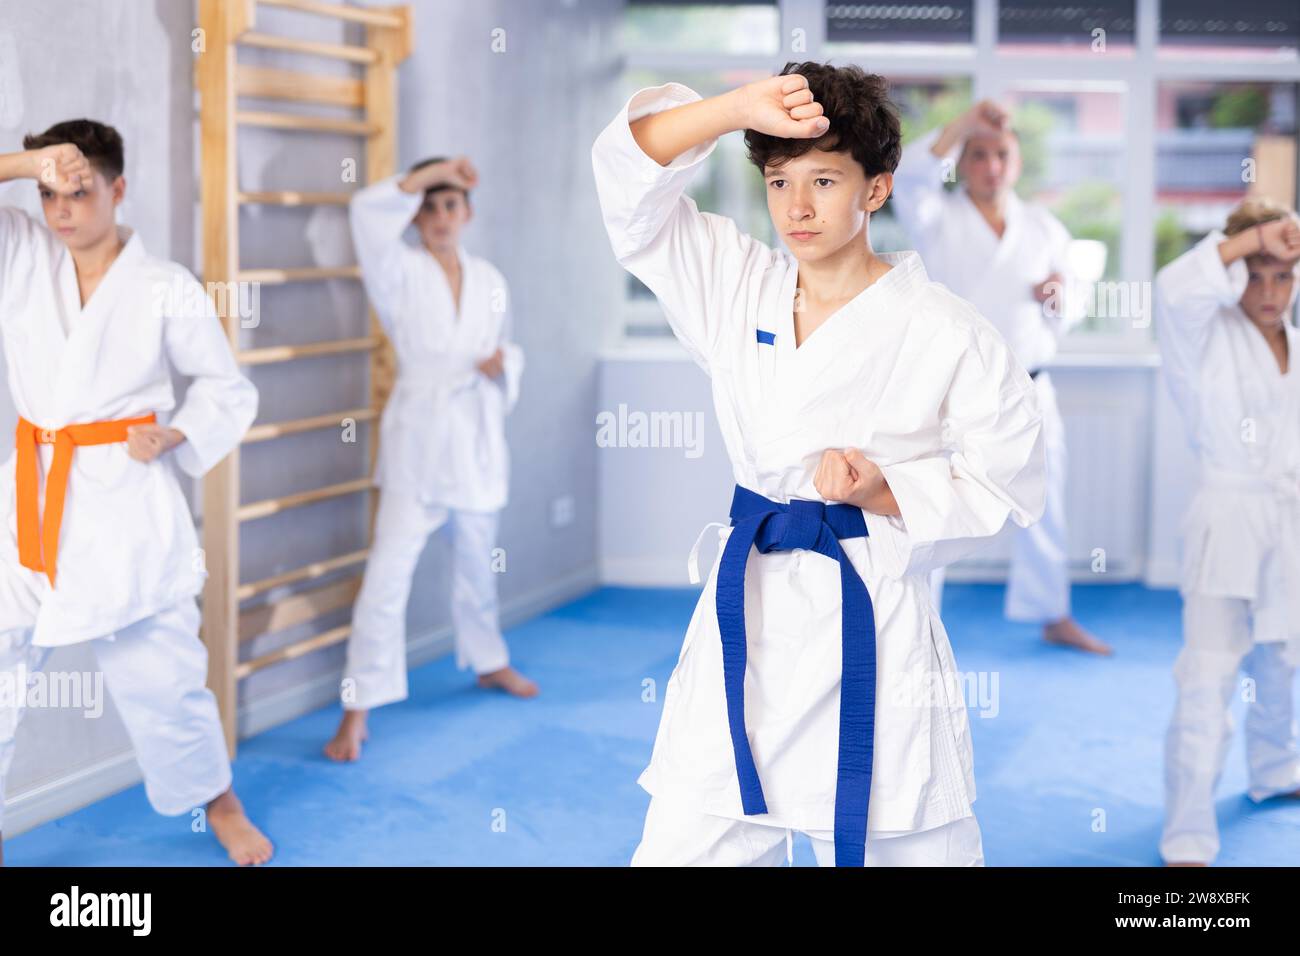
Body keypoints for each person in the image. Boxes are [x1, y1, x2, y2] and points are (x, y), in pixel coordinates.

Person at [592, 62, 1046, 866]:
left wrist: (889, 488)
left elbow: (1008, 474)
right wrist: (735, 108)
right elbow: (628, 187)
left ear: (876, 189)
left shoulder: (946, 328)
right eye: (778, 181)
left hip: (871, 618)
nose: (796, 208)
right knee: (680, 841)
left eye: (825, 180)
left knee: (913, 836)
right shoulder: (735, 286)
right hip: (748, 621)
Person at [0, 122, 271, 865]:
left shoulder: (164, 288)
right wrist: (27, 162)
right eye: (48, 194)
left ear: (118, 190)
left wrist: (178, 435)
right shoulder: (19, 252)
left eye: (80, 192)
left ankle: (220, 802)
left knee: (164, 671)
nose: (62, 210)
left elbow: (225, 388)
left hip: (122, 497)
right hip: (29, 496)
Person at [325, 155, 534, 763]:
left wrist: (503, 367)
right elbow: (366, 210)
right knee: (386, 578)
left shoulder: (491, 279)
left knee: (477, 565)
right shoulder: (395, 271)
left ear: (466, 213)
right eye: (429, 206)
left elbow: (507, 348)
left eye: (451, 205)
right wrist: (436, 169)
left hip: (473, 439)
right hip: (419, 443)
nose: (441, 217)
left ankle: (489, 661)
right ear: (415, 215)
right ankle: (356, 708)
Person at [891, 100, 1109, 654]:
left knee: (1045, 499)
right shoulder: (935, 215)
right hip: (951, 389)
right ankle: (918, 622)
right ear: (963, 163)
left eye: (1001, 155)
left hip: (1031, 386)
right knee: (934, 504)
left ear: (1016, 163)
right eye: (979, 154)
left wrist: (1060, 296)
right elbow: (912, 173)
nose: (991, 166)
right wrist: (964, 121)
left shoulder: (1043, 227)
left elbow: (1074, 302)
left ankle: (1052, 611)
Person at [1153, 198, 1300, 866]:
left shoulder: (1295, 343)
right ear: (1233, 267)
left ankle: (1275, 770)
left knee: (1281, 662)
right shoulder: (1201, 333)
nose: (1269, 291)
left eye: (1283, 275)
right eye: (1254, 271)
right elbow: (1173, 285)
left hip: (1287, 523)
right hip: (1228, 519)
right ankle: (1188, 828)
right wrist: (1257, 236)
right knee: (1210, 676)